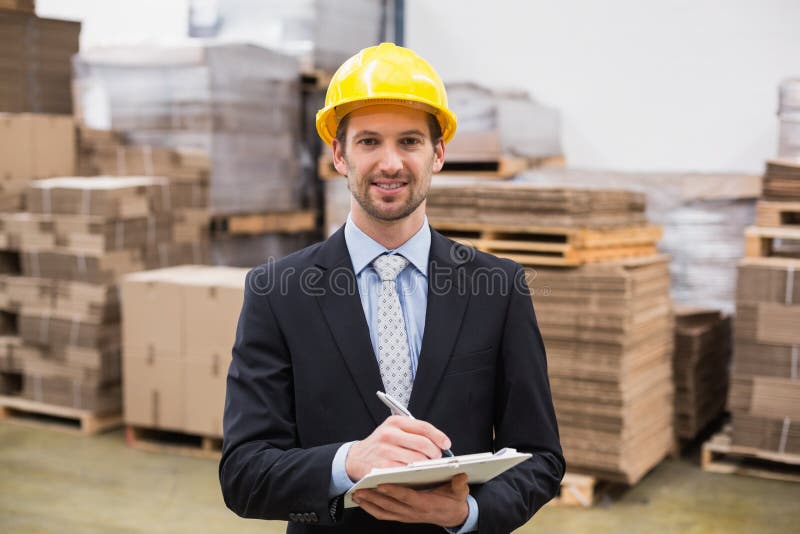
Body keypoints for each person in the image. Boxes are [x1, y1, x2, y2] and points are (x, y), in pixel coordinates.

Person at [219, 42, 565, 533]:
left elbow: (541, 459)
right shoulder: (278, 293)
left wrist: (467, 514)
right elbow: (243, 475)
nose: (390, 163)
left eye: (409, 141)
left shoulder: (498, 289)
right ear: (338, 154)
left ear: (438, 153)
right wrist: (348, 463)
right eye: (368, 142)